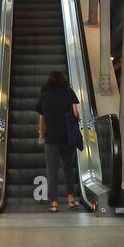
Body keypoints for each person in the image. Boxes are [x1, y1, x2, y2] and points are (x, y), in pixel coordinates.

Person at [35, 69, 85, 213]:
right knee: (68, 168)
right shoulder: (69, 92)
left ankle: (54, 203)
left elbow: (41, 118)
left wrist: (41, 134)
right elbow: (75, 113)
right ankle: (70, 199)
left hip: (51, 138)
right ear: (63, 80)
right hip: (66, 138)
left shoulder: (44, 95)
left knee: (52, 172)